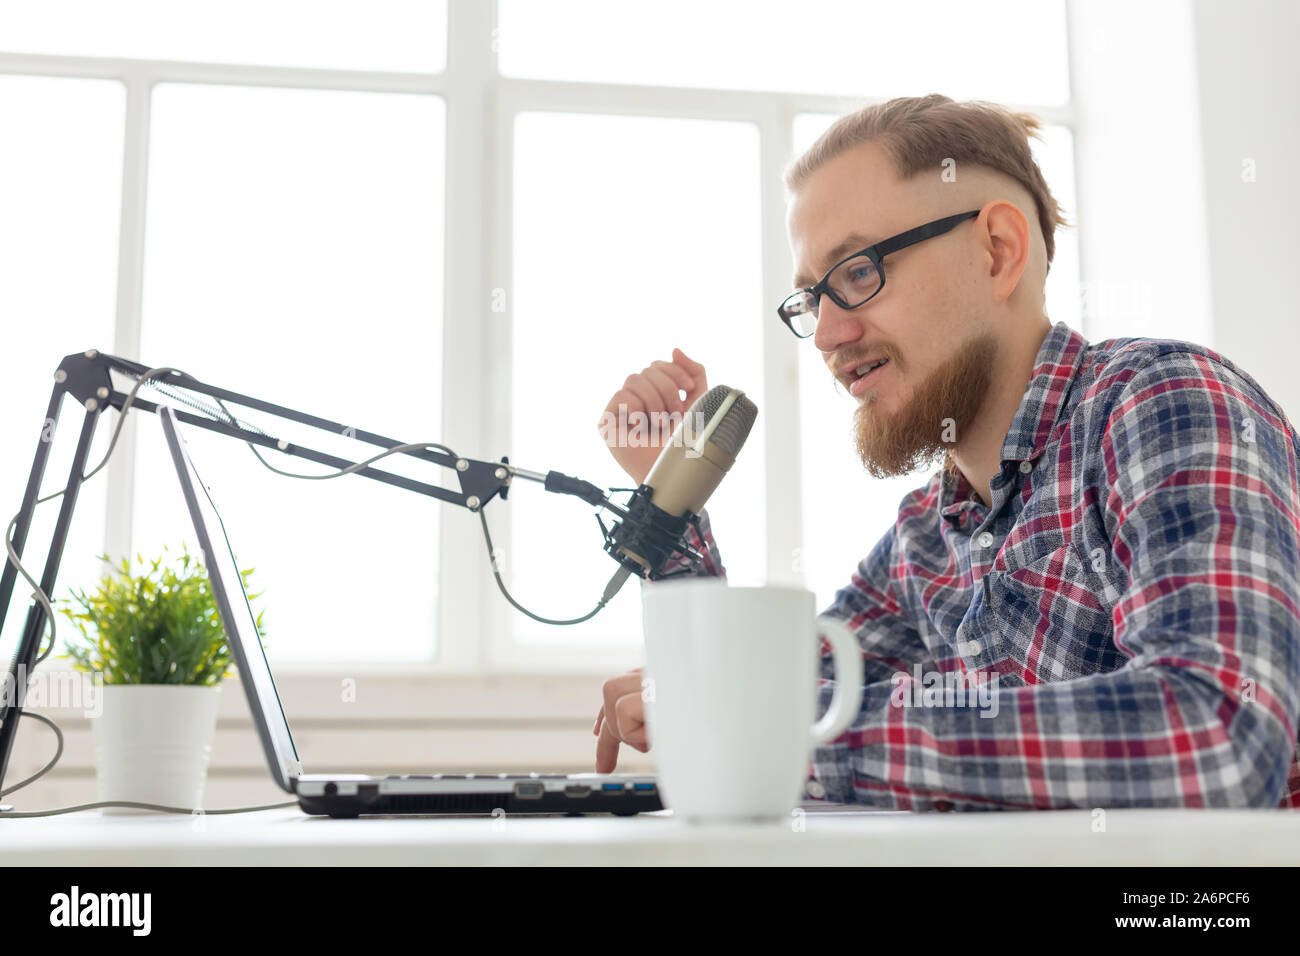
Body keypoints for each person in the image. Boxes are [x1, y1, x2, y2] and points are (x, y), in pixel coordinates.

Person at [591, 94, 1300, 811]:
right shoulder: (925, 537)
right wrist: (668, 502)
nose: (829, 335)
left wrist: (790, 723)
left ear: (998, 251)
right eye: (811, 300)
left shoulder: (1167, 403)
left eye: (859, 273)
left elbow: (1221, 737)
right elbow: (754, 704)